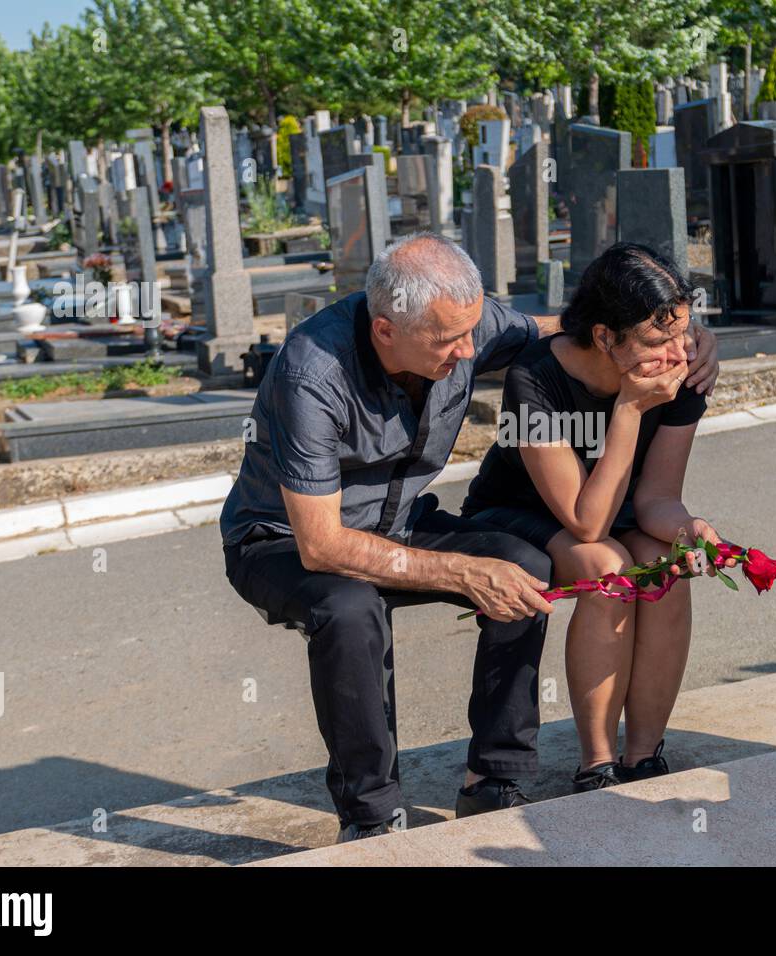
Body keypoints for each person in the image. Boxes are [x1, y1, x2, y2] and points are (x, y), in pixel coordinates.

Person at [219, 232, 720, 842]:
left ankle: (491, 778)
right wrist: (460, 572)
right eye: (449, 341)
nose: (468, 350)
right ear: (385, 332)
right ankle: (372, 814)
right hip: (281, 541)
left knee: (523, 565)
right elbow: (322, 546)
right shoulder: (310, 374)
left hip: (403, 520)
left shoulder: (462, 326)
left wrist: (684, 339)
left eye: (472, 330)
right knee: (350, 608)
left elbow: (567, 328)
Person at [461, 243, 738, 792]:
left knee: (663, 563)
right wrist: (631, 408)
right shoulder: (534, 379)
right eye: (657, 341)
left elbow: (657, 498)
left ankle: (644, 753)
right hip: (519, 512)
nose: (677, 354)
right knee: (609, 565)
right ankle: (598, 762)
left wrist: (692, 531)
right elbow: (586, 521)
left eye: (683, 334)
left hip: (620, 510)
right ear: (606, 336)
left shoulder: (678, 372)